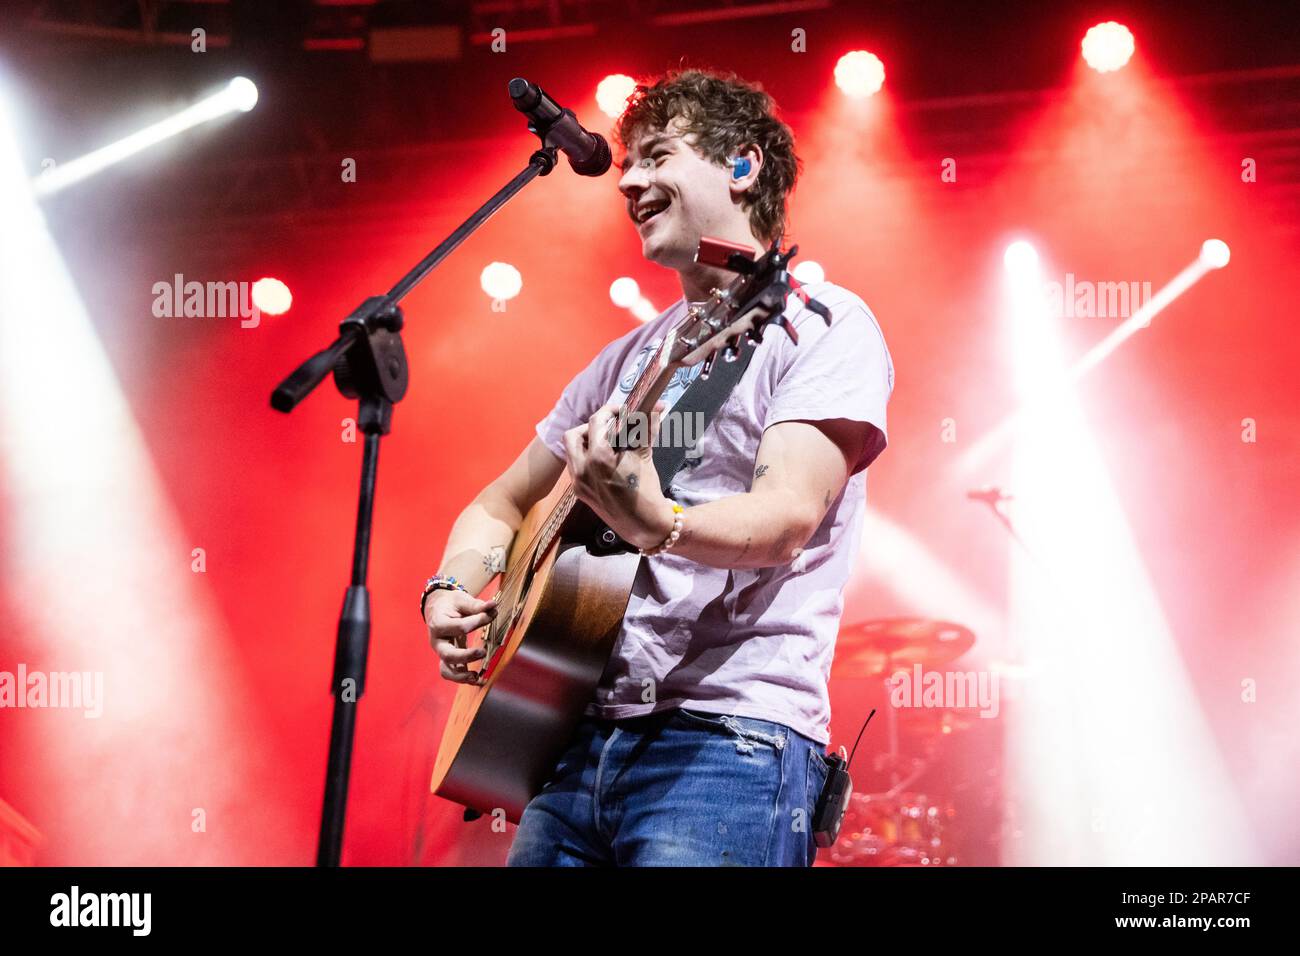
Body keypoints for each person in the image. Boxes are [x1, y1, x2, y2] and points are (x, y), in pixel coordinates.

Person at [423, 68, 894, 866]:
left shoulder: (818, 324)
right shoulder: (625, 361)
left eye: (658, 156)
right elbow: (501, 505)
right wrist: (450, 590)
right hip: (572, 744)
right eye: (628, 163)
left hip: (727, 745)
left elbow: (786, 518)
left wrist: (660, 522)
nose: (631, 180)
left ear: (742, 166)